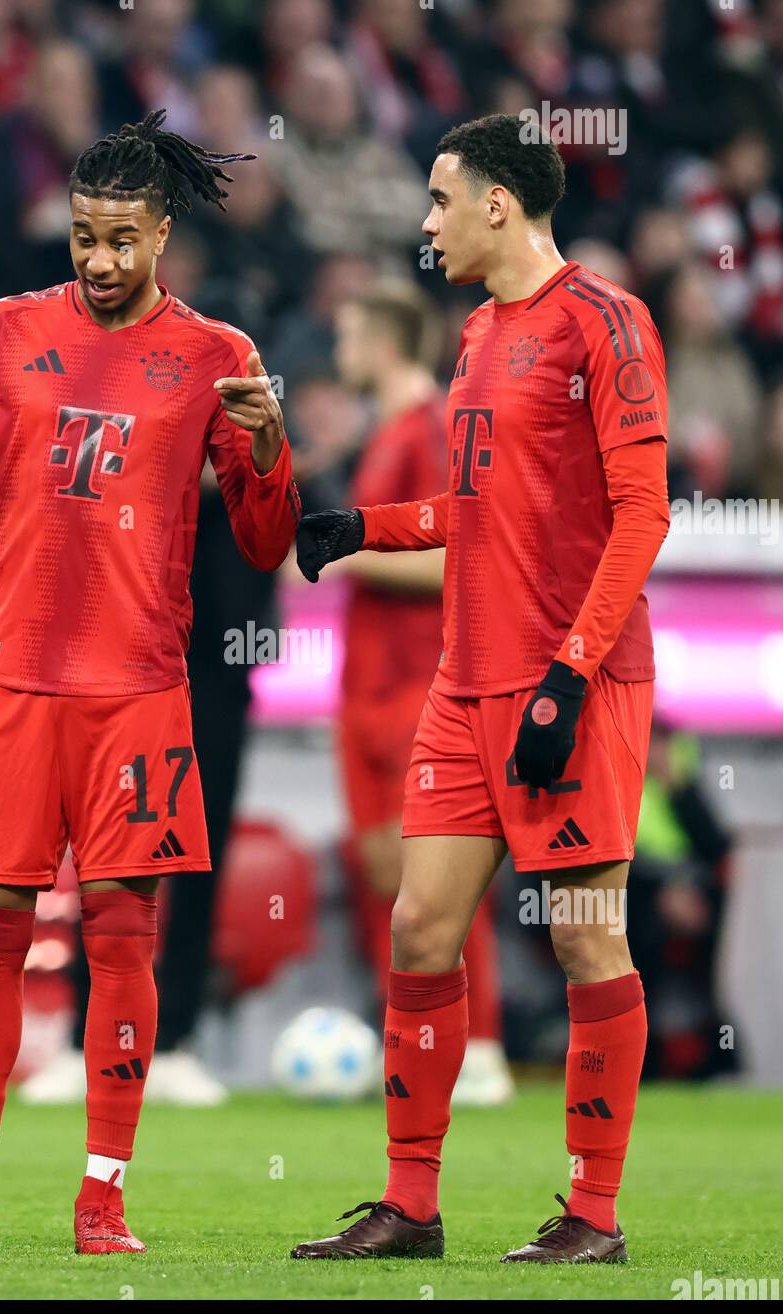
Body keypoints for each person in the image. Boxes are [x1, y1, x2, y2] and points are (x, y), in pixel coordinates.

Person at [0, 111, 299, 1257]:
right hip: (8, 679)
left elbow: (261, 543)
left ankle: (101, 1202)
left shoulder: (216, 355)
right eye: (80, 238)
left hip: (137, 688)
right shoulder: (1, 332)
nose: (97, 262)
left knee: (120, 937)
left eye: (120, 240)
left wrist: (266, 451)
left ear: (161, 234)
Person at [292, 113, 669, 1263]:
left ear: (497, 202)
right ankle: (410, 1207)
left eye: (438, 198)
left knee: (582, 940)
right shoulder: (474, 335)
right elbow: (475, 512)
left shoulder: (605, 323)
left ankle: (592, 1217)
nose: (425, 221)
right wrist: (360, 526)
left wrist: (568, 670)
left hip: (572, 680)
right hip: (465, 685)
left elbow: (640, 514)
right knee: (416, 926)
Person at [330, 281, 513, 1107]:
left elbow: (455, 557)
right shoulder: (387, 430)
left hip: (417, 682)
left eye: (349, 334)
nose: (339, 352)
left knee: (439, 870)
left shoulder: (434, 427)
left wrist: (345, 550)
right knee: (379, 872)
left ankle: (478, 1046)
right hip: (362, 685)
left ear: (383, 340)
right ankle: (408, 1037)